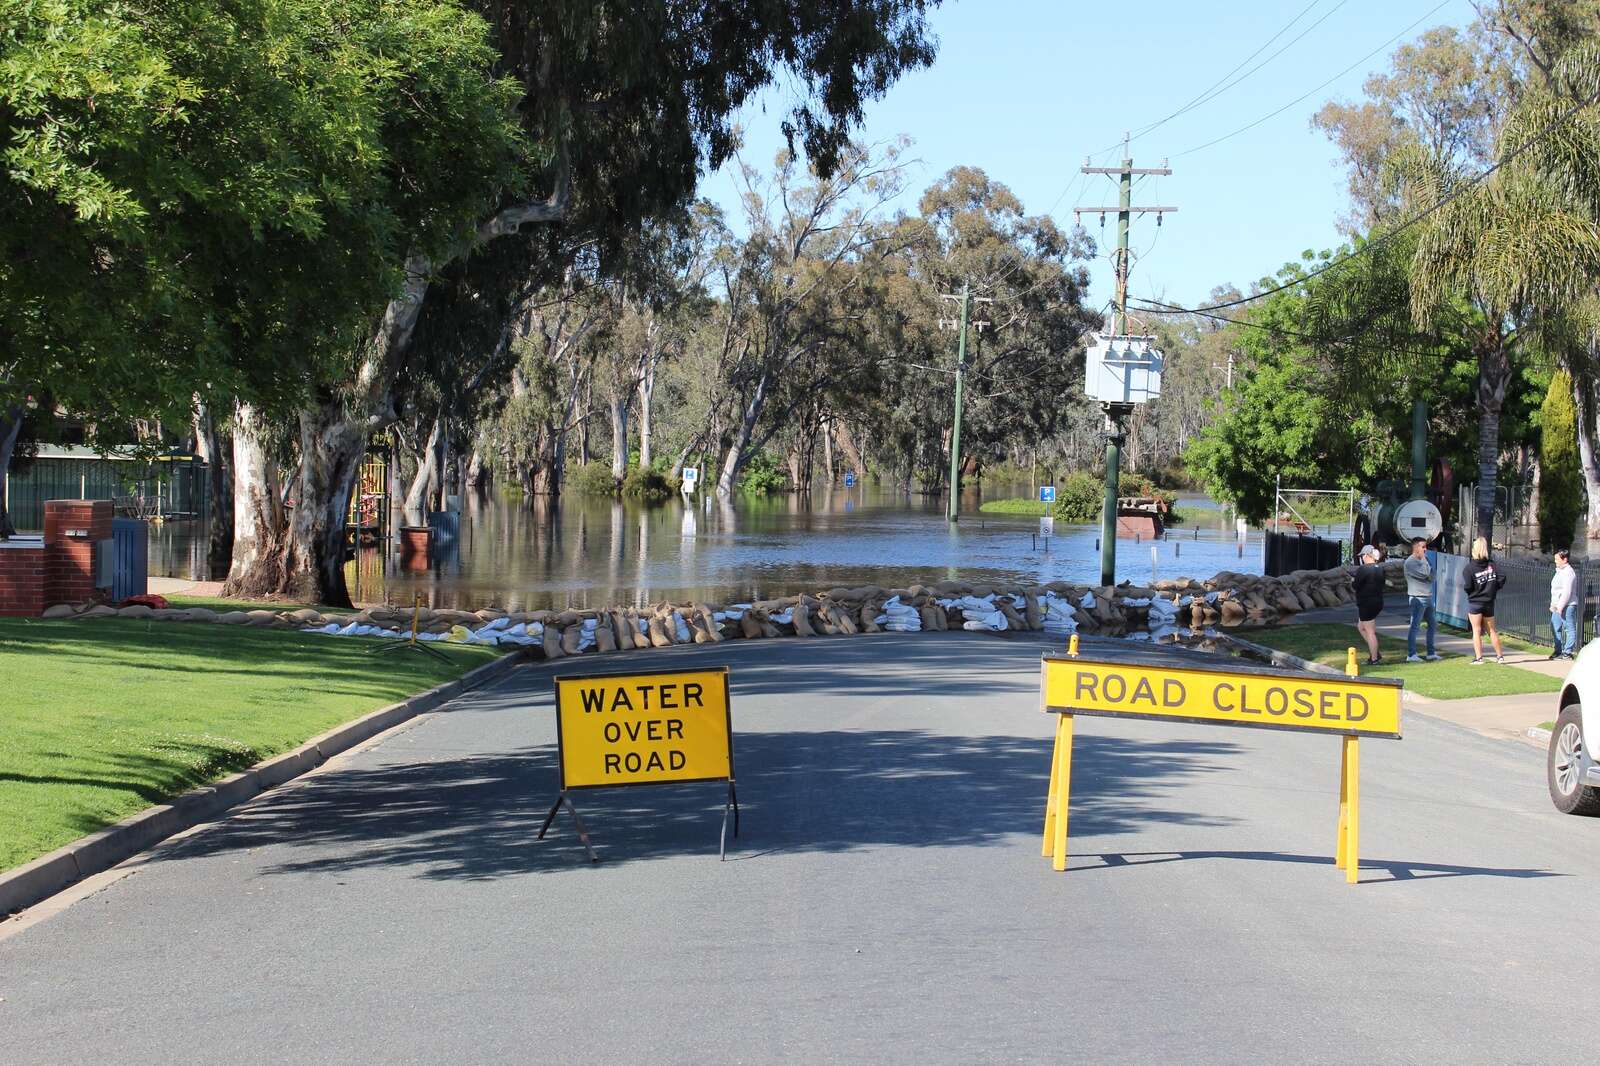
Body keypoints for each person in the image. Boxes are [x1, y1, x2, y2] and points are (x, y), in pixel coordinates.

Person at [1463, 536, 1507, 664]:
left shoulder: (1469, 568)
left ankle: (1479, 658)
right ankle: (1500, 657)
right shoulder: (1492, 565)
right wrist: (1493, 588)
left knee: (1476, 630)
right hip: (1489, 602)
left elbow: (1467, 586)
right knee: (1492, 630)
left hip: (1475, 603)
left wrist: (1473, 593)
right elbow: (1502, 577)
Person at [1402, 537, 1442, 663]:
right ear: (1416, 547)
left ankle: (1431, 653)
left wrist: (1428, 567)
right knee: (1415, 626)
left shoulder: (1425, 560)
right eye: (1423, 547)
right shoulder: (1410, 563)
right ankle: (1411, 654)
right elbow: (1426, 573)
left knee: (1432, 624)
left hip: (1428, 597)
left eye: (1426, 547)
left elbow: (1433, 576)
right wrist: (1425, 560)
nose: (1425, 550)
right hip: (1417, 598)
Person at [1352, 544, 1387, 665]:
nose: (1362, 558)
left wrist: (1353, 580)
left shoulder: (1363, 569)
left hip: (1367, 602)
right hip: (1377, 601)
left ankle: (1374, 659)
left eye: (1362, 555)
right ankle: (1375, 652)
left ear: (1367, 555)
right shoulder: (1380, 568)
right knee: (1361, 627)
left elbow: (1355, 585)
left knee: (1370, 631)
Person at [1550, 549, 1579, 661]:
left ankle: (1568, 652)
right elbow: (1556, 590)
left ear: (1565, 559)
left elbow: (1566, 592)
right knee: (1554, 626)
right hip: (1558, 606)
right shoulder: (1560, 571)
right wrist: (1554, 605)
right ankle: (1558, 650)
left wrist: (1560, 607)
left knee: (1569, 628)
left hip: (1568, 605)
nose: (1555, 561)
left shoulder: (1569, 572)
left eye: (1557, 559)